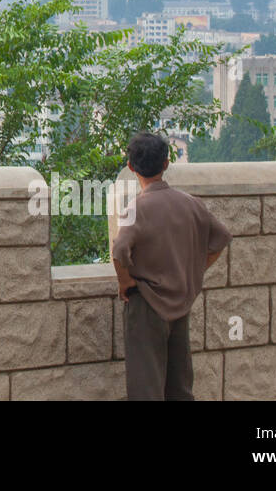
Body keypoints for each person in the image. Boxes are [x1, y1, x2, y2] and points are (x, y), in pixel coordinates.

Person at [111, 131, 232, 401]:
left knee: (147, 388)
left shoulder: (136, 208)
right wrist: (197, 269)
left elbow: (119, 251)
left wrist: (125, 282)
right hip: (180, 305)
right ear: (166, 164)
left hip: (146, 307)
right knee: (180, 388)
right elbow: (222, 237)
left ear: (131, 167)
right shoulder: (190, 203)